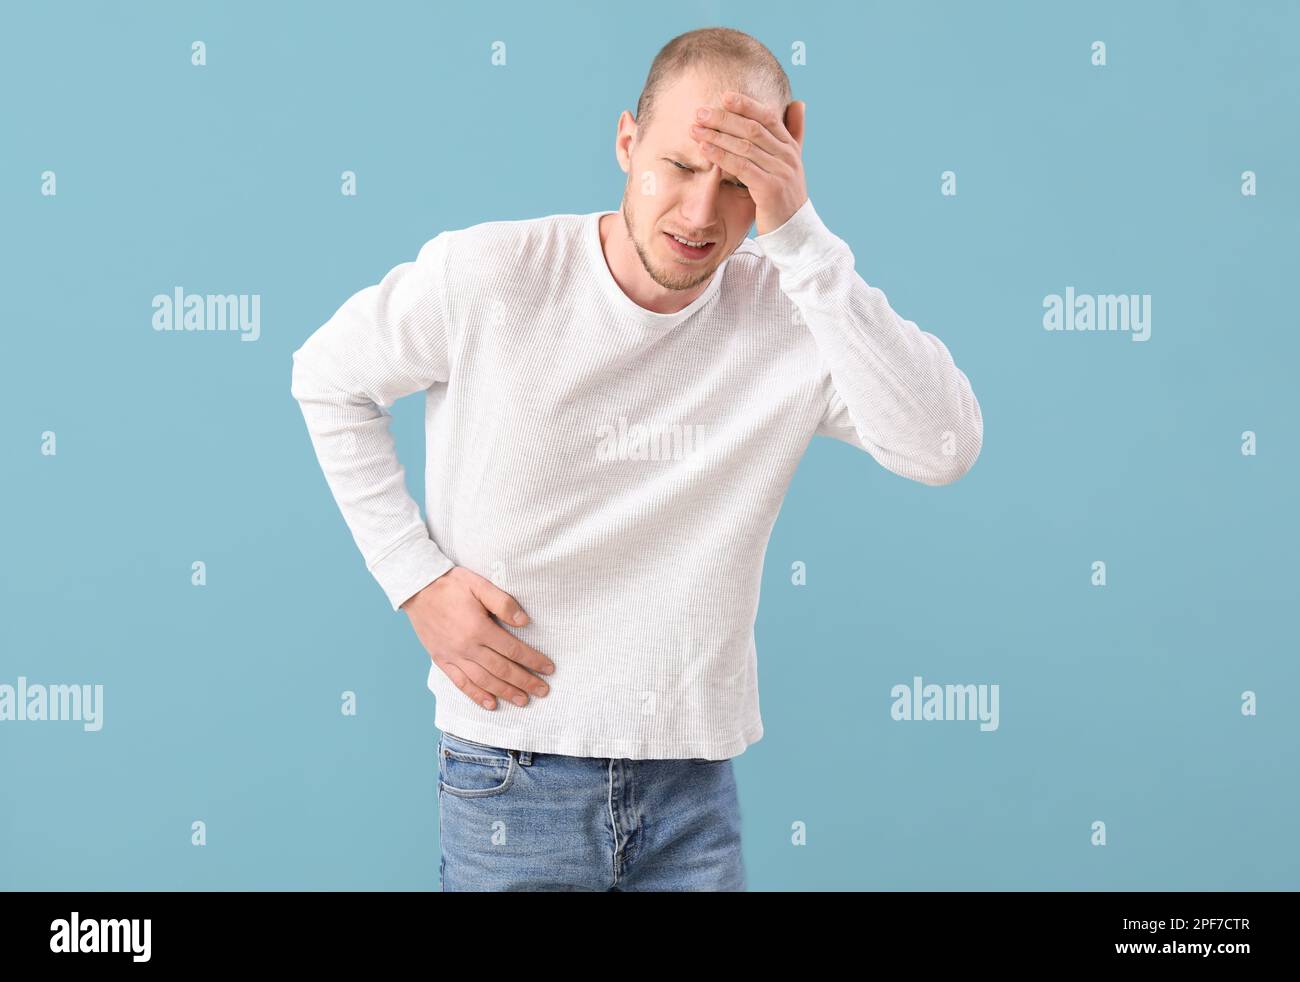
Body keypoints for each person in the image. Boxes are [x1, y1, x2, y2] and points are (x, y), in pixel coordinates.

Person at [290, 26, 983, 891]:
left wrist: (800, 236)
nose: (700, 215)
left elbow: (942, 445)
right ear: (626, 141)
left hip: (692, 786)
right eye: (681, 168)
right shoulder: (496, 275)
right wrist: (413, 577)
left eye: (738, 183)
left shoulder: (794, 311)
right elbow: (326, 377)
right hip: (512, 771)